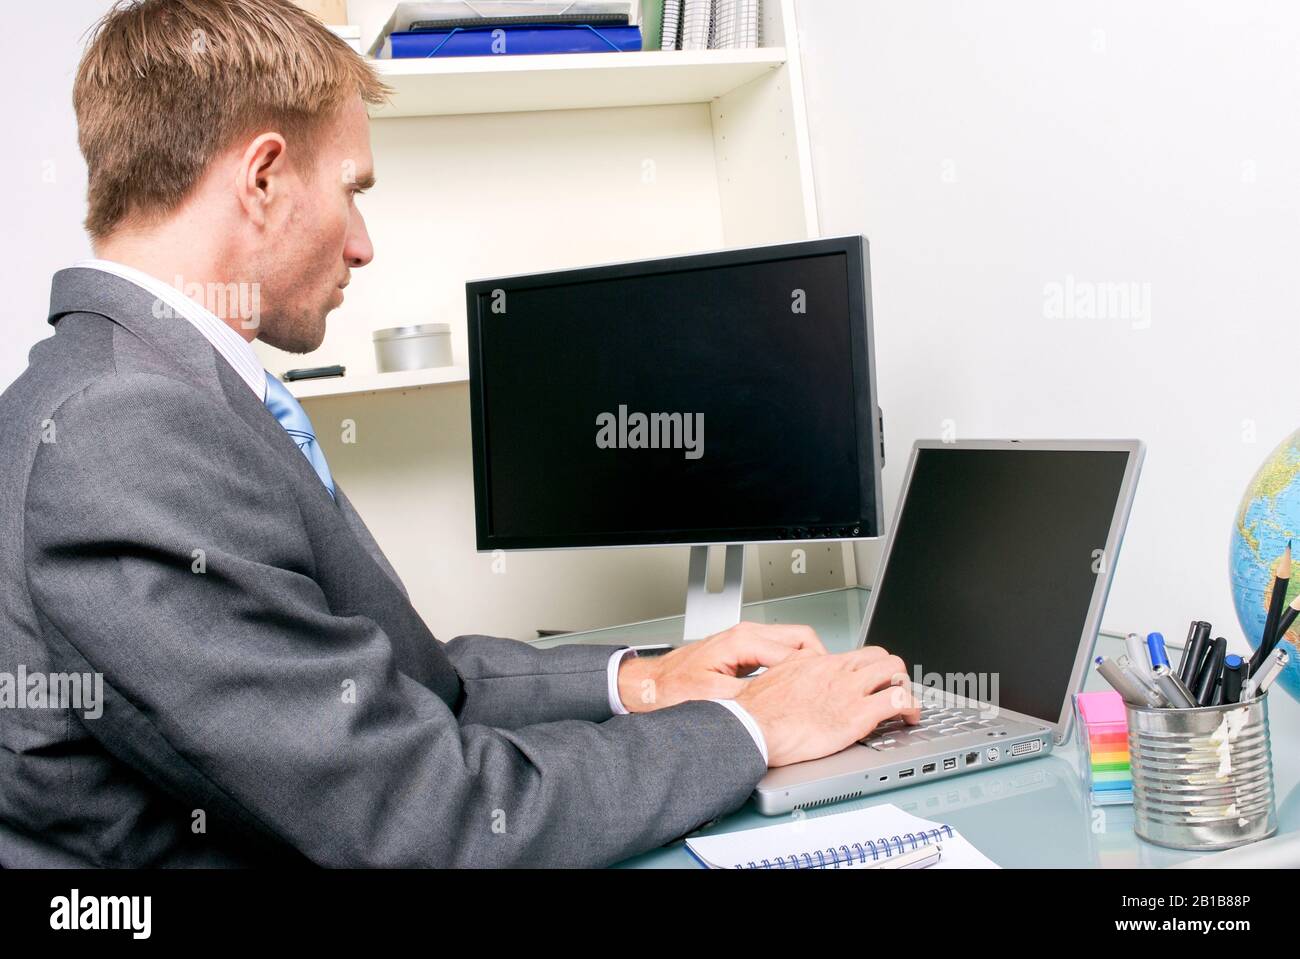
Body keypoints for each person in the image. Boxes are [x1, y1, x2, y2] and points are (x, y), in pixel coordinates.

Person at [0, 0, 917, 867]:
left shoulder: (138, 388)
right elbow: (429, 821)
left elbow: (398, 681)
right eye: (352, 191)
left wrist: (643, 679)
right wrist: (755, 728)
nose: (362, 244)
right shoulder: (124, 433)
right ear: (264, 177)